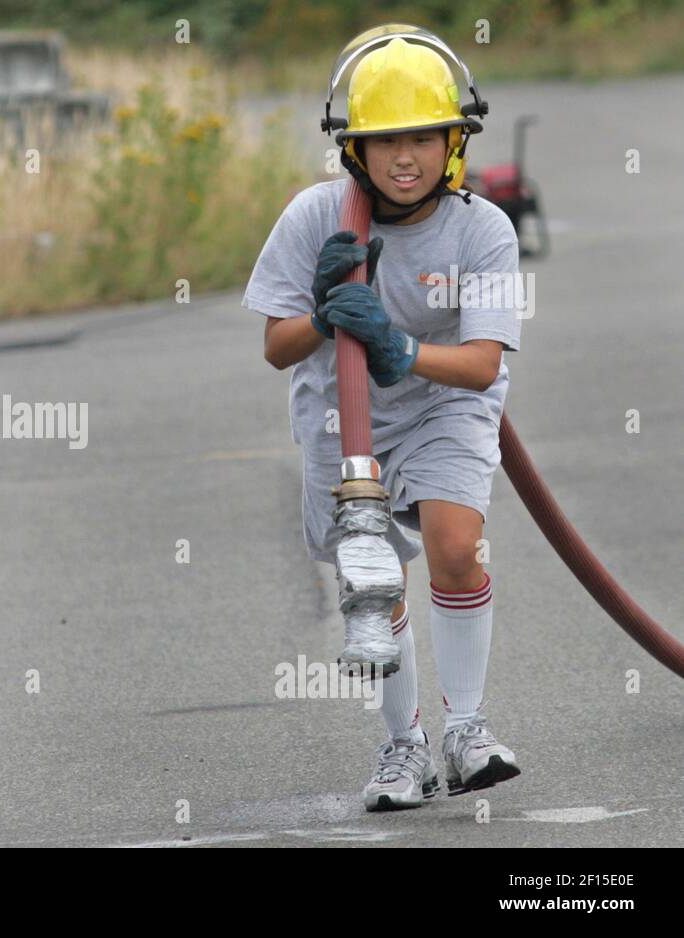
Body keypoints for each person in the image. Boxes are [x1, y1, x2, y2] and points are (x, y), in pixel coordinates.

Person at [243, 26, 523, 812]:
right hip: (344, 422)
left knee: (455, 547)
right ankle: (403, 748)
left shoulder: (482, 229)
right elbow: (275, 346)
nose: (406, 158)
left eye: (423, 139)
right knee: (375, 584)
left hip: (445, 404)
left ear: (454, 140)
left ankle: (466, 729)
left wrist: (399, 347)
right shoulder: (313, 218)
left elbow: (482, 364)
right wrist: (330, 315)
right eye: (385, 140)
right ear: (353, 148)